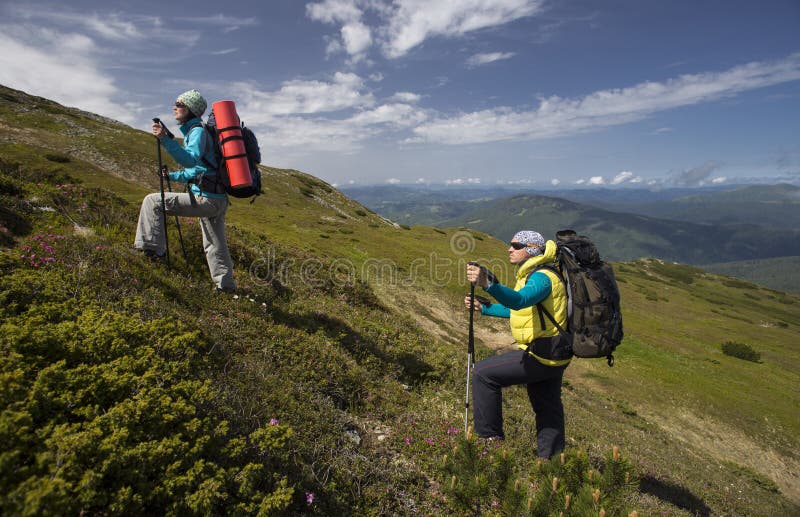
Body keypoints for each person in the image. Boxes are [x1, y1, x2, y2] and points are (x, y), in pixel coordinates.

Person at [465, 230, 571, 458]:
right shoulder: (537, 273)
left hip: (542, 355)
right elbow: (522, 311)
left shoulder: (543, 277)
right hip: (556, 352)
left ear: (531, 249)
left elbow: (520, 301)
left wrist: (488, 284)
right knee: (547, 407)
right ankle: (551, 461)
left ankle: (490, 443)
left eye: (516, 245)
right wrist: (484, 308)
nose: (509, 249)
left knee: (483, 373)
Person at [134, 89, 236, 292]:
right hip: (218, 200)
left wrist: (165, 140)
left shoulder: (197, 131)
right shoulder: (201, 131)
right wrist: (172, 176)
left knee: (152, 201)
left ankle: (153, 252)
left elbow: (190, 160)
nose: (174, 107)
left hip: (206, 199)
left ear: (190, 109)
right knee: (215, 245)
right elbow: (199, 169)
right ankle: (226, 287)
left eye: (179, 104)